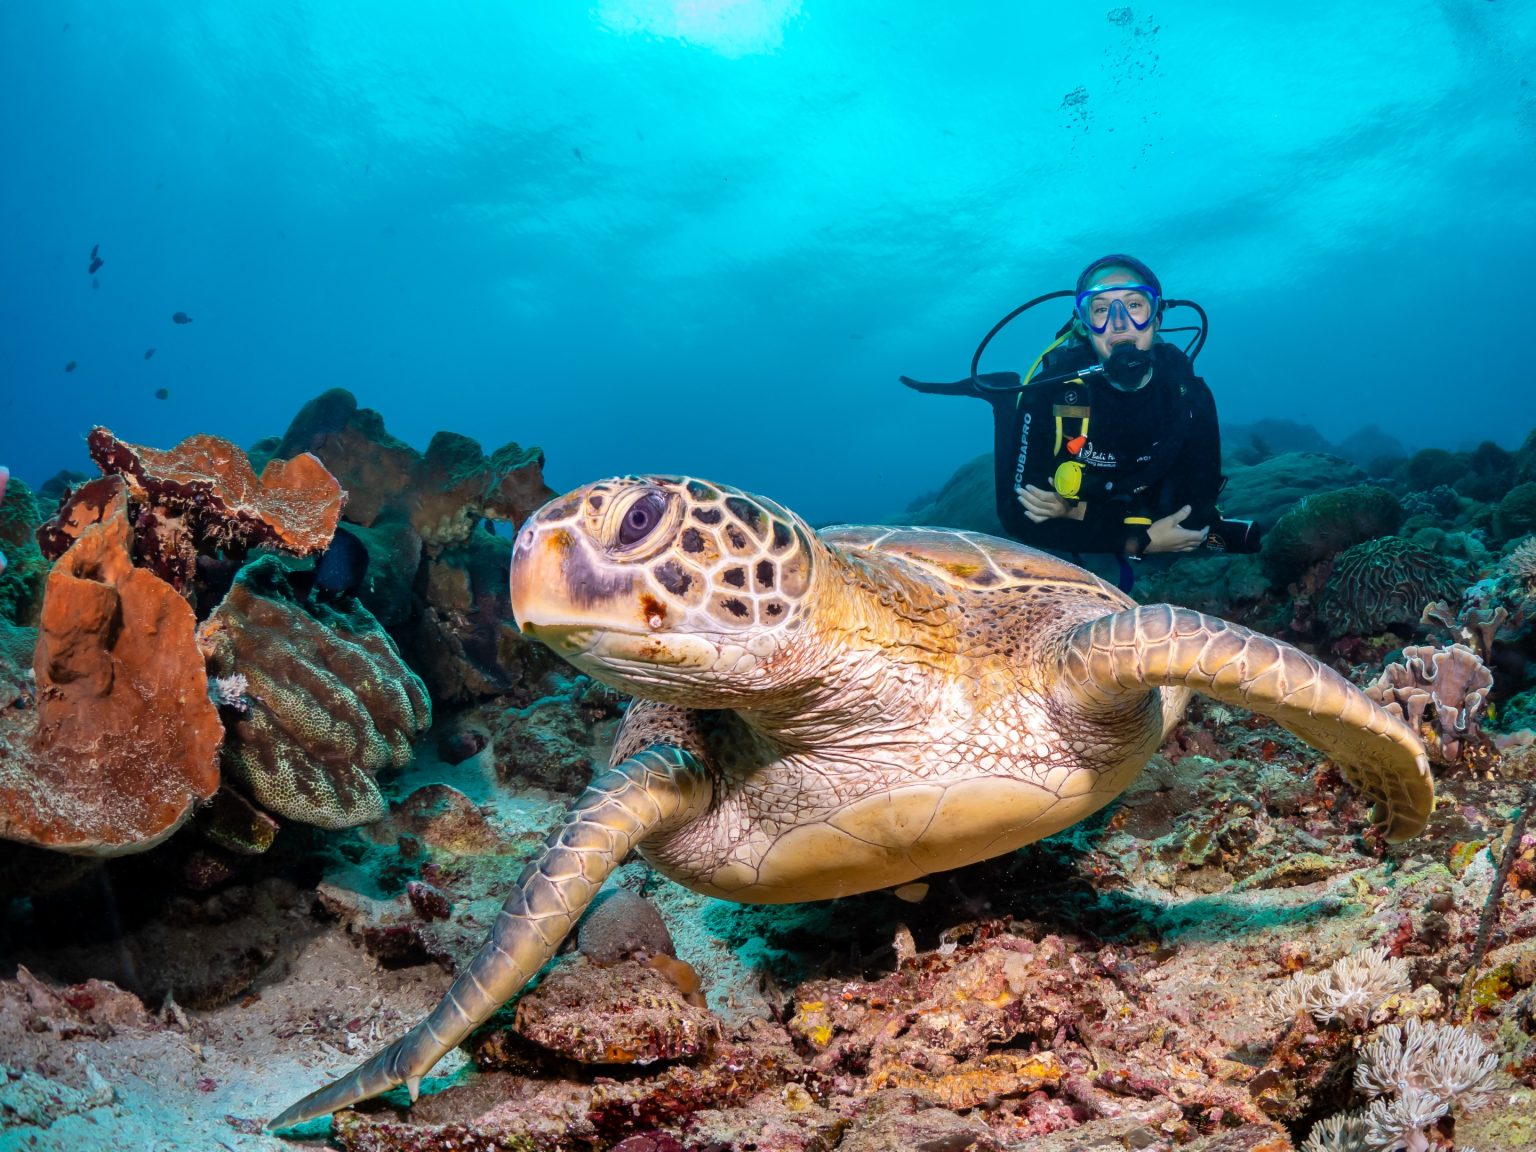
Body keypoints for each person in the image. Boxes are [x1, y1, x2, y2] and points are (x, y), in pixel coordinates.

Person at [903, 254, 1254, 571]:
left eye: (1135, 305)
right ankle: (1002, 402)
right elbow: (1018, 517)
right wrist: (1139, 541)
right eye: (1100, 309)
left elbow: (1194, 512)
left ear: (1157, 317)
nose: (1118, 323)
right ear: (1084, 325)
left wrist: (1074, 511)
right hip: (1088, 484)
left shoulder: (1187, 391)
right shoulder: (1051, 391)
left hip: (1116, 491)